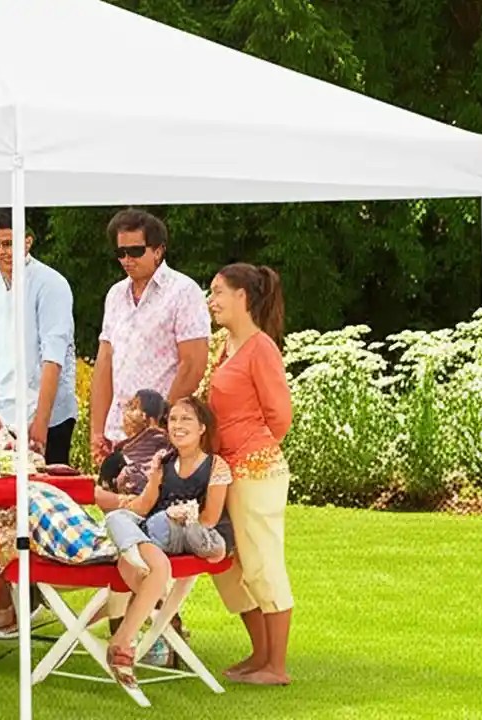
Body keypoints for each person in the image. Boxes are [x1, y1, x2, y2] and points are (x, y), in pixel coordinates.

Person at [204, 263, 294, 686]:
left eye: (218, 292)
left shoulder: (261, 348)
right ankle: (259, 654)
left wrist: (251, 449)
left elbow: (280, 416)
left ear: (243, 297)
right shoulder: (224, 346)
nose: (212, 301)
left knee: (261, 561)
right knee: (226, 562)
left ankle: (276, 666)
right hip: (226, 471)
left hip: (256, 472)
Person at [90, 209, 210, 469]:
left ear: (158, 250)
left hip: (162, 437)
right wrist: (97, 432)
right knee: (113, 495)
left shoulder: (184, 292)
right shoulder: (115, 295)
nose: (127, 259)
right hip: (116, 432)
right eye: (121, 252)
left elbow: (193, 364)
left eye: (135, 251)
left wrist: (164, 424)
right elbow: (105, 362)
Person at [0, 208, 78, 465]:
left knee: (46, 485)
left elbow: (53, 357)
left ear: (27, 242)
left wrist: (41, 421)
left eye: (10, 243)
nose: (3, 251)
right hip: (3, 414)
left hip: (50, 416)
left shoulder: (51, 283)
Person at [100, 396, 234, 576]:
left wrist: (180, 517)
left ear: (202, 428)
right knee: (116, 518)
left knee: (168, 524)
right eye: (173, 419)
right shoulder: (163, 463)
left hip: (190, 532)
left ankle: (135, 549)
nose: (178, 425)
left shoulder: (215, 465)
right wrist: (126, 505)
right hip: (160, 529)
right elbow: (144, 506)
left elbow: (210, 519)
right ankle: (135, 548)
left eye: (186, 419)